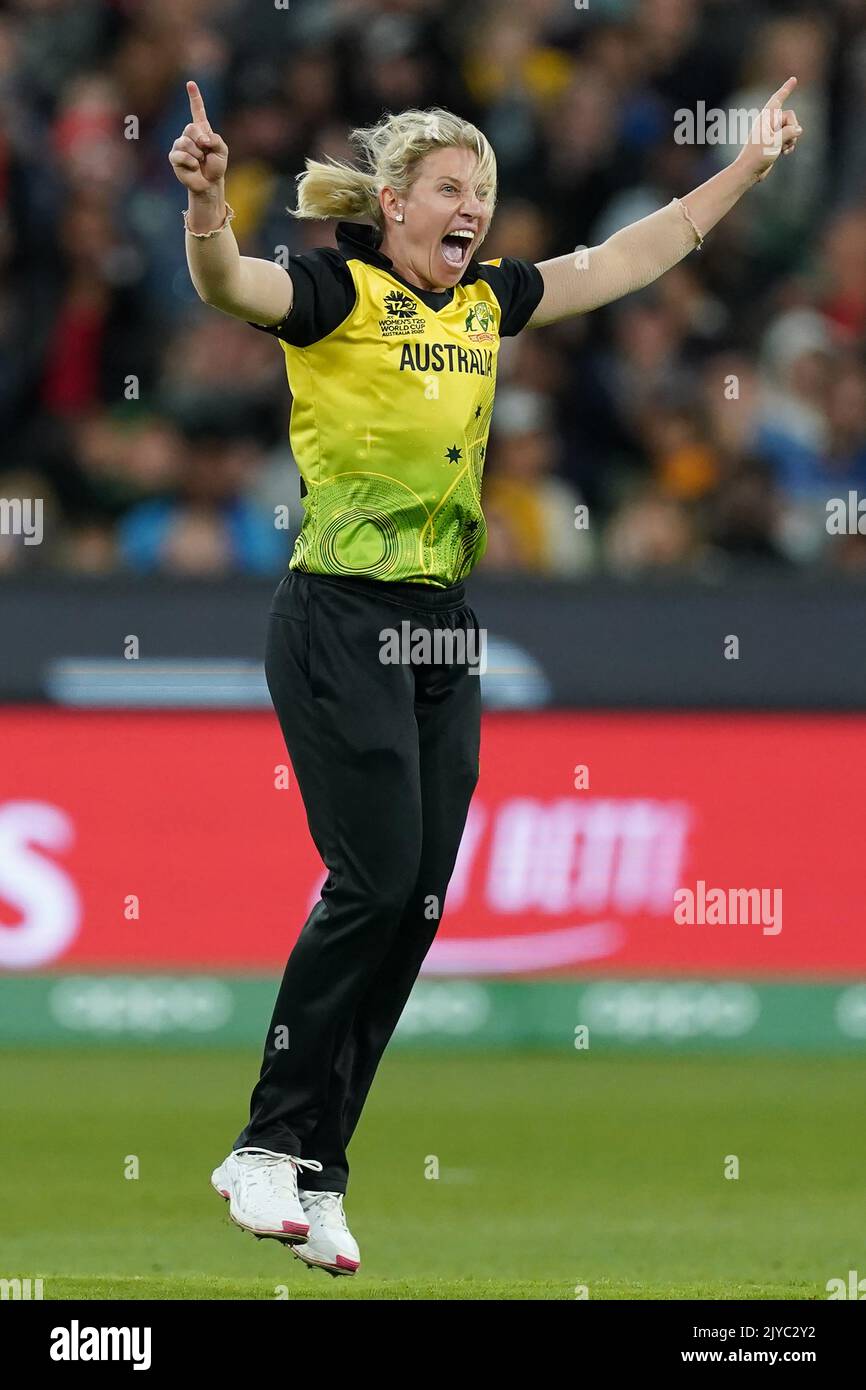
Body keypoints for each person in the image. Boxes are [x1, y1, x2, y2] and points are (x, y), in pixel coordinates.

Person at [169, 76, 803, 1277]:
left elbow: (625, 258)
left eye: (483, 193)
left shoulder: (484, 302)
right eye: (451, 190)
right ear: (394, 204)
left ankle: (319, 1167)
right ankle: (261, 1144)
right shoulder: (334, 291)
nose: (472, 209)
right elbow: (227, 285)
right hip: (338, 616)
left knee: (414, 904)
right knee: (369, 884)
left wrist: (747, 169)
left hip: (441, 630)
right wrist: (206, 206)